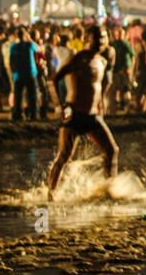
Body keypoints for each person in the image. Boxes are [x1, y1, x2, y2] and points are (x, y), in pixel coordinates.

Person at [47, 25, 118, 199]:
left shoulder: (102, 61)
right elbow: (53, 80)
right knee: (64, 155)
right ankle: (50, 194)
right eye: (98, 38)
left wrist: (101, 103)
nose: (101, 41)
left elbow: (97, 87)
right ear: (88, 39)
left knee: (112, 150)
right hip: (74, 114)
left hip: (93, 116)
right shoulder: (79, 58)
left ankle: (108, 190)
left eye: (104, 37)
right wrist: (59, 106)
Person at [8, 26, 41, 120]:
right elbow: (38, 49)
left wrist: (13, 71)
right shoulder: (30, 45)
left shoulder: (13, 47)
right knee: (32, 96)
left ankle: (17, 115)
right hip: (30, 73)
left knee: (18, 97)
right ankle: (33, 115)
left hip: (18, 74)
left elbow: (11, 61)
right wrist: (29, 38)